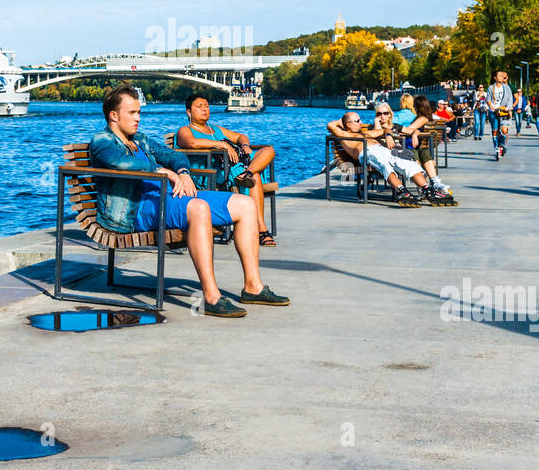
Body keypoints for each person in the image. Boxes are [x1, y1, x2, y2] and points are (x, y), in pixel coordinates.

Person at [88, 85, 288, 317]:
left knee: (246, 205)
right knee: (199, 208)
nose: (138, 118)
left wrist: (181, 171)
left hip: (167, 198)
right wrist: (162, 172)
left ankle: (253, 287)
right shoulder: (102, 141)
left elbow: (174, 155)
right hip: (137, 210)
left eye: (139, 112)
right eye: (132, 113)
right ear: (114, 115)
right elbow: (121, 164)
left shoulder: (140, 139)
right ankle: (212, 297)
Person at [175, 92, 277, 245]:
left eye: (207, 106)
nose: (205, 109)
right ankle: (261, 230)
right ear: (189, 112)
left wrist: (245, 146)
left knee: (268, 150)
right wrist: (222, 144)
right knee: (254, 178)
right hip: (210, 173)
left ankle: (246, 173)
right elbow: (191, 143)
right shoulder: (185, 130)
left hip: (232, 169)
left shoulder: (215, 130)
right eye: (199, 107)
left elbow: (240, 136)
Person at [327, 110, 453, 206]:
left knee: (409, 164)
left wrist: (388, 136)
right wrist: (341, 121)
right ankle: (401, 191)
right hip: (368, 152)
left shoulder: (365, 133)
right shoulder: (343, 134)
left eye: (359, 120)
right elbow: (331, 125)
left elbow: (386, 130)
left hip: (384, 150)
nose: (361, 122)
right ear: (348, 124)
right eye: (357, 121)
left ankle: (428, 190)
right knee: (385, 165)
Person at [391, 96, 454, 197]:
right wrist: (415, 133)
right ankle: (435, 181)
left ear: (418, 106)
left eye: (415, 105)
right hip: (417, 146)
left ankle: (432, 182)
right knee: (423, 151)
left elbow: (409, 129)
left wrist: (401, 128)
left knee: (421, 151)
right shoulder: (426, 117)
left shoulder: (422, 118)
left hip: (409, 146)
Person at [485, 70, 513, 157]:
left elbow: (510, 99)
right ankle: (496, 147)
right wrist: (490, 105)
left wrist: (508, 108)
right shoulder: (491, 88)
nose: (502, 78)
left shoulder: (506, 87)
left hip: (503, 111)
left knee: (504, 130)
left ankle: (502, 145)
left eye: (502, 76)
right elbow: (488, 98)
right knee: (494, 131)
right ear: (495, 78)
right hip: (493, 111)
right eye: (500, 76)